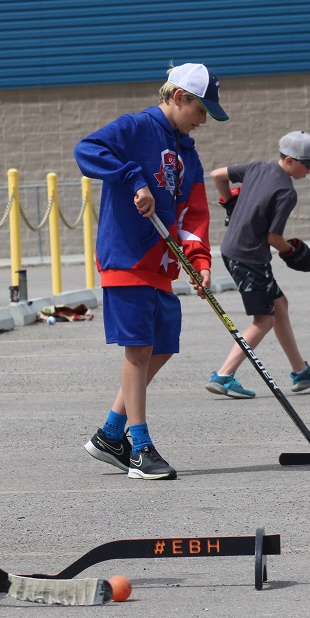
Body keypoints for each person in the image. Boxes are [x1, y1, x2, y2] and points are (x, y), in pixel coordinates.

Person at [74, 63, 228, 480]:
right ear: (179, 98)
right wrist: (133, 179)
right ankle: (140, 447)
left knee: (162, 346)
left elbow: (194, 212)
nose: (204, 121)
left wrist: (199, 262)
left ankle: (110, 432)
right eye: (201, 110)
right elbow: (86, 151)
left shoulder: (189, 152)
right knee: (139, 349)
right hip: (126, 256)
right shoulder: (135, 128)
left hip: (161, 263)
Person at [205, 131, 310, 399]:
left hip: (233, 250)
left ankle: (301, 371)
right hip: (250, 257)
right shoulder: (287, 192)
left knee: (279, 304)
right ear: (289, 160)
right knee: (264, 320)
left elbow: (217, 175)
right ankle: (224, 375)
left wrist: (229, 201)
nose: (309, 171)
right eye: (306, 165)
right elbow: (273, 237)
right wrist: (293, 252)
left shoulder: (256, 168)